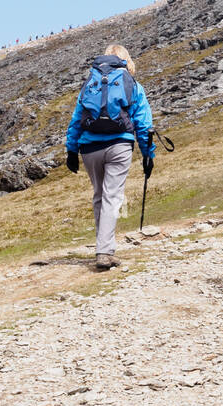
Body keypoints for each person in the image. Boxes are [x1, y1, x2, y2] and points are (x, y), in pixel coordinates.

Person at [65, 44, 156, 270]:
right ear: (126, 60)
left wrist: (71, 150)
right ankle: (104, 251)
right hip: (119, 145)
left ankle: (103, 247)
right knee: (112, 197)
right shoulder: (133, 85)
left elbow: (77, 118)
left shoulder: (90, 83)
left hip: (89, 148)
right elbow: (143, 124)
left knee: (99, 196)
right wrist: (148, 155)